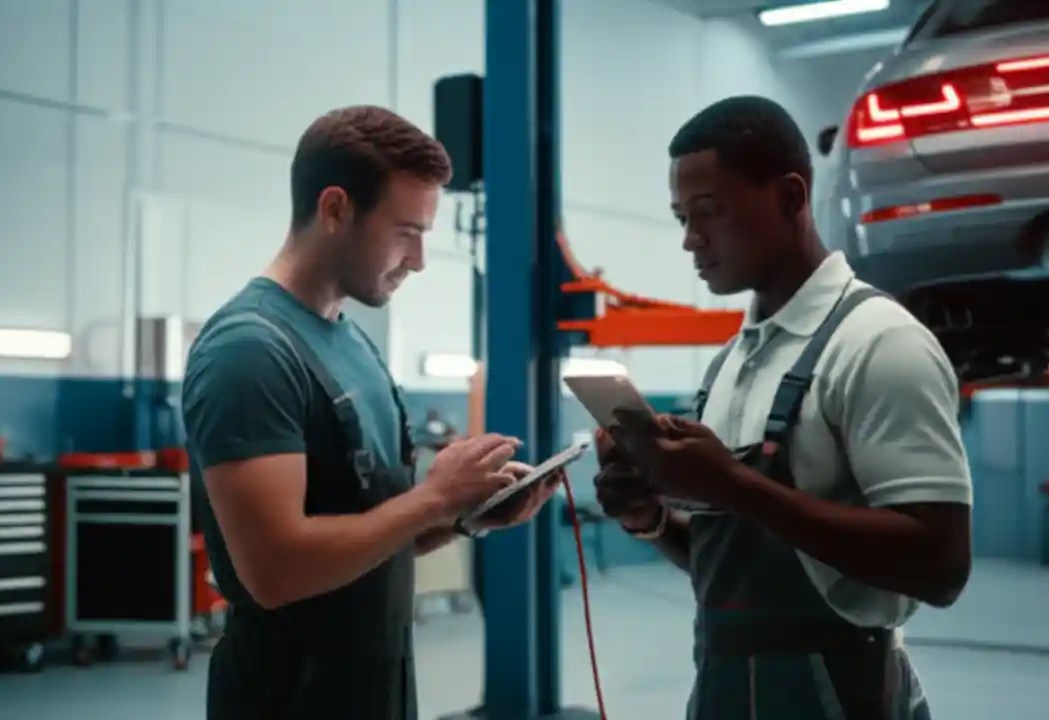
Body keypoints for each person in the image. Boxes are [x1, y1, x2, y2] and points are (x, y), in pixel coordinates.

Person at [593, 96, 973, 719]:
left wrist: (735, 485)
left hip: (840, 695)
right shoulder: (733, 363)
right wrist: (652, 518)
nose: (690, 239)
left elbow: (940, 565)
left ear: (792, 198)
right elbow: (735, 557)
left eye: (708, 213)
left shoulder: (880, 342)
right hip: (724, 684)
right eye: (680, 217)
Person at [183, 106, 560, 720]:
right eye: (406, 231)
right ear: (334, 209)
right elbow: (275, 570)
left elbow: (370, 531)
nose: (418, 260)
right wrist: (435, 499)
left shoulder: (353, 342)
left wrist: (467, 517)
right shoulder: (250, 351)